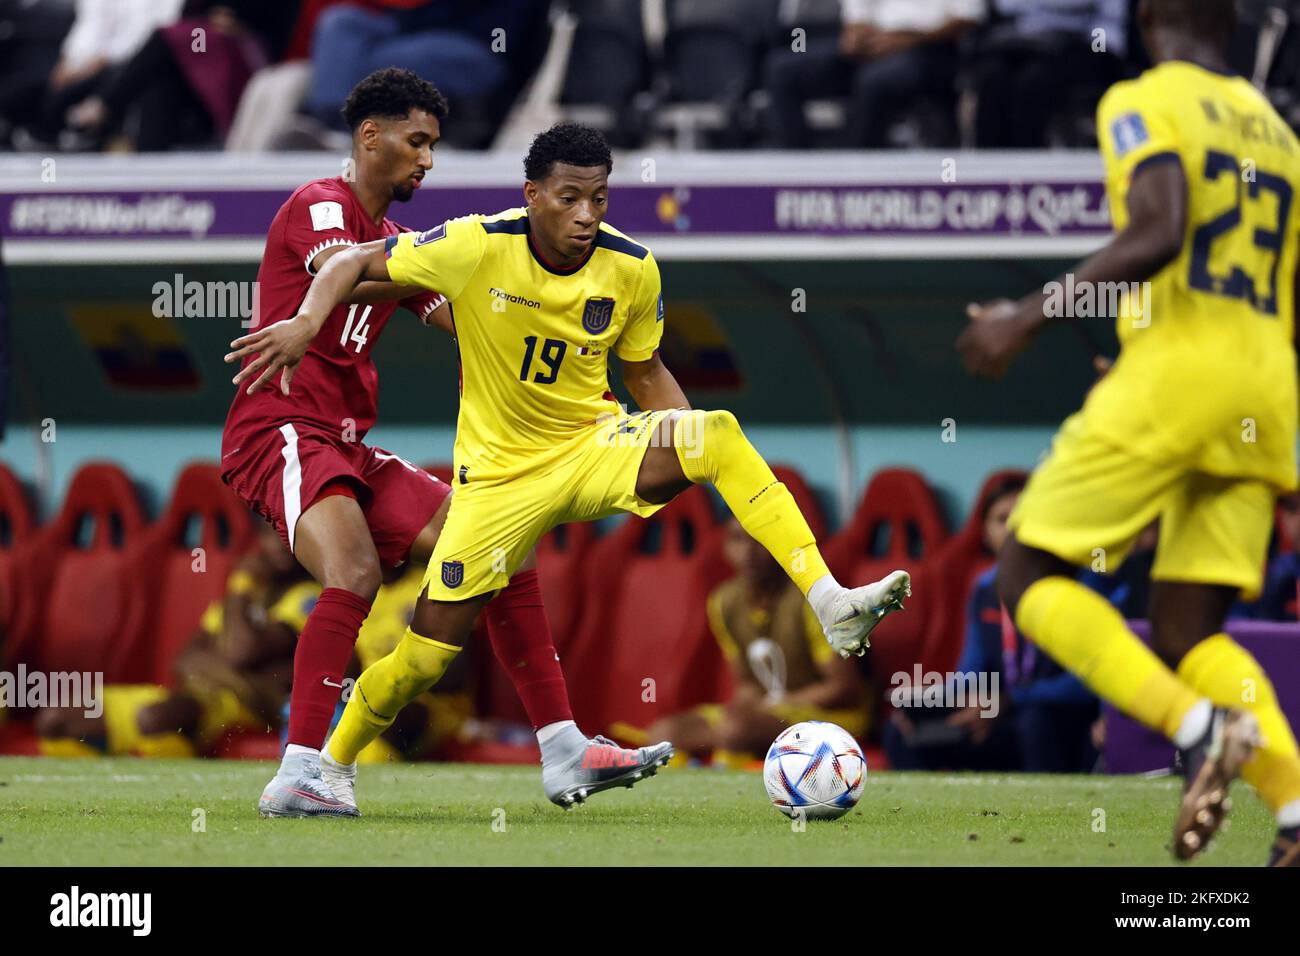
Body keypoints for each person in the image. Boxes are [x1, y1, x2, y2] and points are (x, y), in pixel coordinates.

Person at [230, 121, 912, 810]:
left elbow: (645, 376)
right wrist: (309, 322)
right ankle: (330, 766)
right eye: (569, 198)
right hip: (498, 482)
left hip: (592, 447)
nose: (587, 215)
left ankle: (831, 602)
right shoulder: (473, 244)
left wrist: (692, 455)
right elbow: (348, 262)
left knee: (717, 432)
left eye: (599, 198)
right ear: (533, 196)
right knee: (424, 659)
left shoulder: (632, 267)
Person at [221, 70, 663, 818]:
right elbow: (337, 267)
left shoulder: (399, 243)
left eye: (434, 146)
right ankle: (302, 770)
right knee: (354, 572)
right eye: (417, 141)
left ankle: (561, 746)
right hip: (282, 428)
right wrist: (303, 323)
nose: (428, 161)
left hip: (351, 446)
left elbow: (477, 323)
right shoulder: (320, 206)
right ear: (370, 136)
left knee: (498, 543)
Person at [958, 0, 1300, 866]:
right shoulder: (1281, 135)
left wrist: (1023, 317)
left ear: (1147, 16)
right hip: (1262, 385)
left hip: (1172, 375)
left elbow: (1160, 227)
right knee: (1192, 630)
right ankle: (1296, 818)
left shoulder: (1145, 99)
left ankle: (1197, 731)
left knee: (1025, 572)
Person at [642, 518, 868, 763]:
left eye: (759, 541)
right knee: (662, 734)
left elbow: (843, 689)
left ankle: (723, 762)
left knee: (735, 731)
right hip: (767, 712)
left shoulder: (812, 599)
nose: (747, 552)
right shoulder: (723, 601)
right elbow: (747, 684)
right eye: (737, 540)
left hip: (833, 716)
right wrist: (744, 706)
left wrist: (773, 707)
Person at [763, 0, 984, 149]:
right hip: (874, 45)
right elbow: (856, 19)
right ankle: (797, 170)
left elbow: (967, 18)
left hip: (930, 48)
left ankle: (858, 171)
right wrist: (857, 37)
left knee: (874, 81)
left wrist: (905, 40)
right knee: (782, 70)